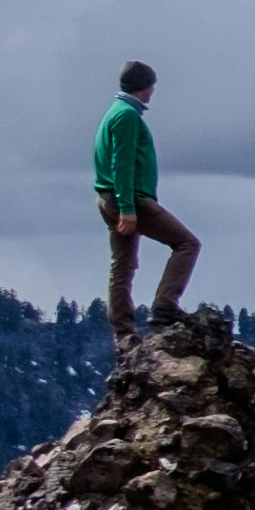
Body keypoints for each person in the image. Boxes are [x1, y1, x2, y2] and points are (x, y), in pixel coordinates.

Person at [93, 61, 198, 339]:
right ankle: (165, 305)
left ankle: (124, 337)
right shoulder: (127, 116)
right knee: (187, 244)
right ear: (145, 86)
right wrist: (127, 208)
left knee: (123, 265)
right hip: (130, 201)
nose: (153, 91)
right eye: (152, 85)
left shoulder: (114, 112)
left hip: (109, 197)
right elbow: (122, 163)